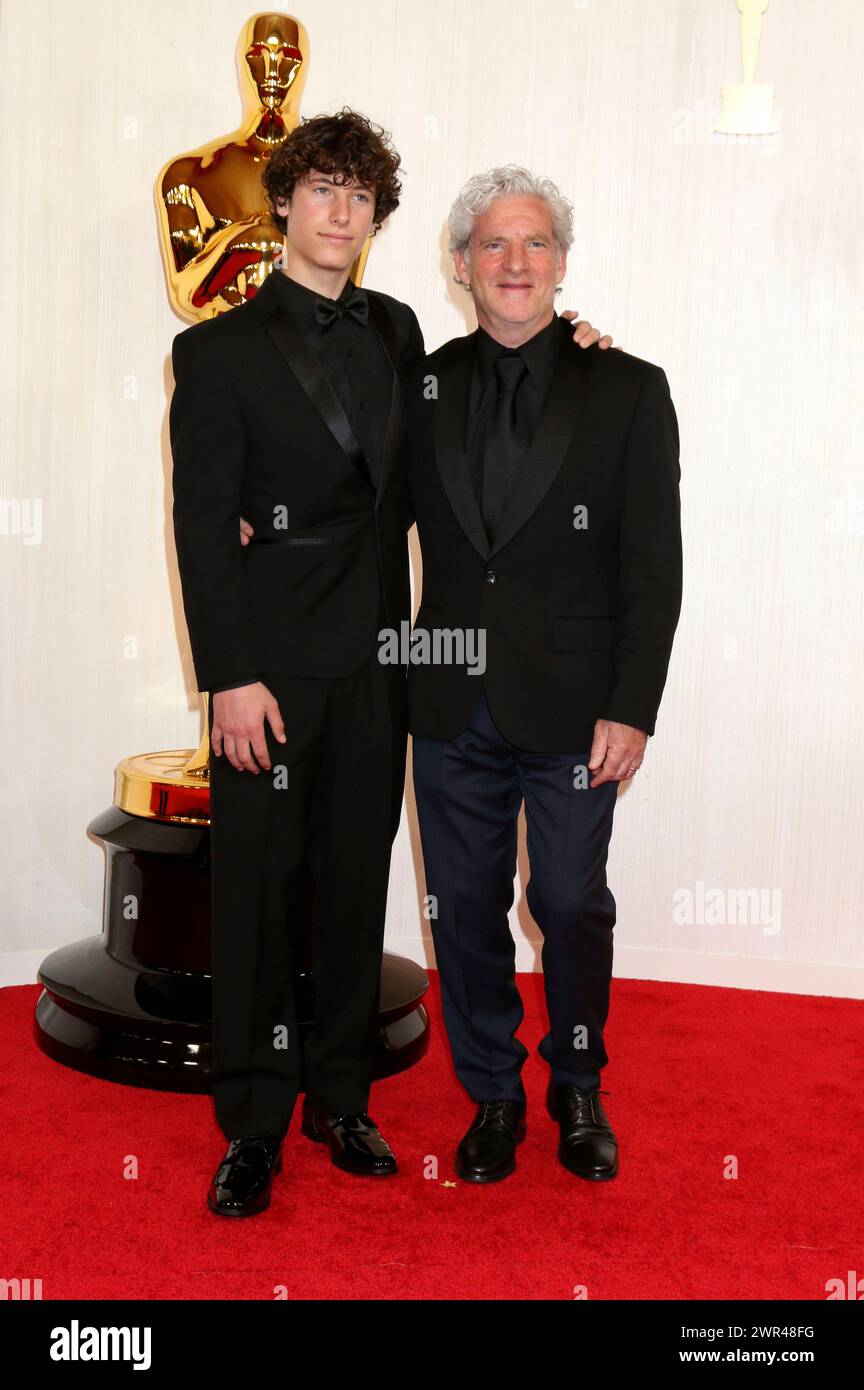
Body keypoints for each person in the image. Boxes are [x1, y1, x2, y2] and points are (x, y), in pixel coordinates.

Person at [172, 111, 614, 1216]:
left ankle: (338, 1097)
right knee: (259, 896)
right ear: (283, 204)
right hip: (267, 674)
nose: (340, 212)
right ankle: (254, 1120)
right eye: (321, 190)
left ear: (378, 216)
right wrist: (227, 671)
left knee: (352, 893)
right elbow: (196, 528)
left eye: (359, 197)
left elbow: (476, 425)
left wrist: (577, 350)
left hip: (384, 660)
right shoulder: (213, 351)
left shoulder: (402, 334)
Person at [406, 165, 683, 1183]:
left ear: (562, 262)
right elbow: (355, 506)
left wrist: (633, 703)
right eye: (492, 244)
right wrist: (264, 518)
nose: (514, 263)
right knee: (464, 908)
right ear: (462, 265)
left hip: (576, 705)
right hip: (445, 694)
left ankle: (576, 1083)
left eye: (534, 244)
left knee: (568, 901)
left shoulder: (628, 388)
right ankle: (491, 1095)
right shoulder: (423, 384)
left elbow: (654, 565)